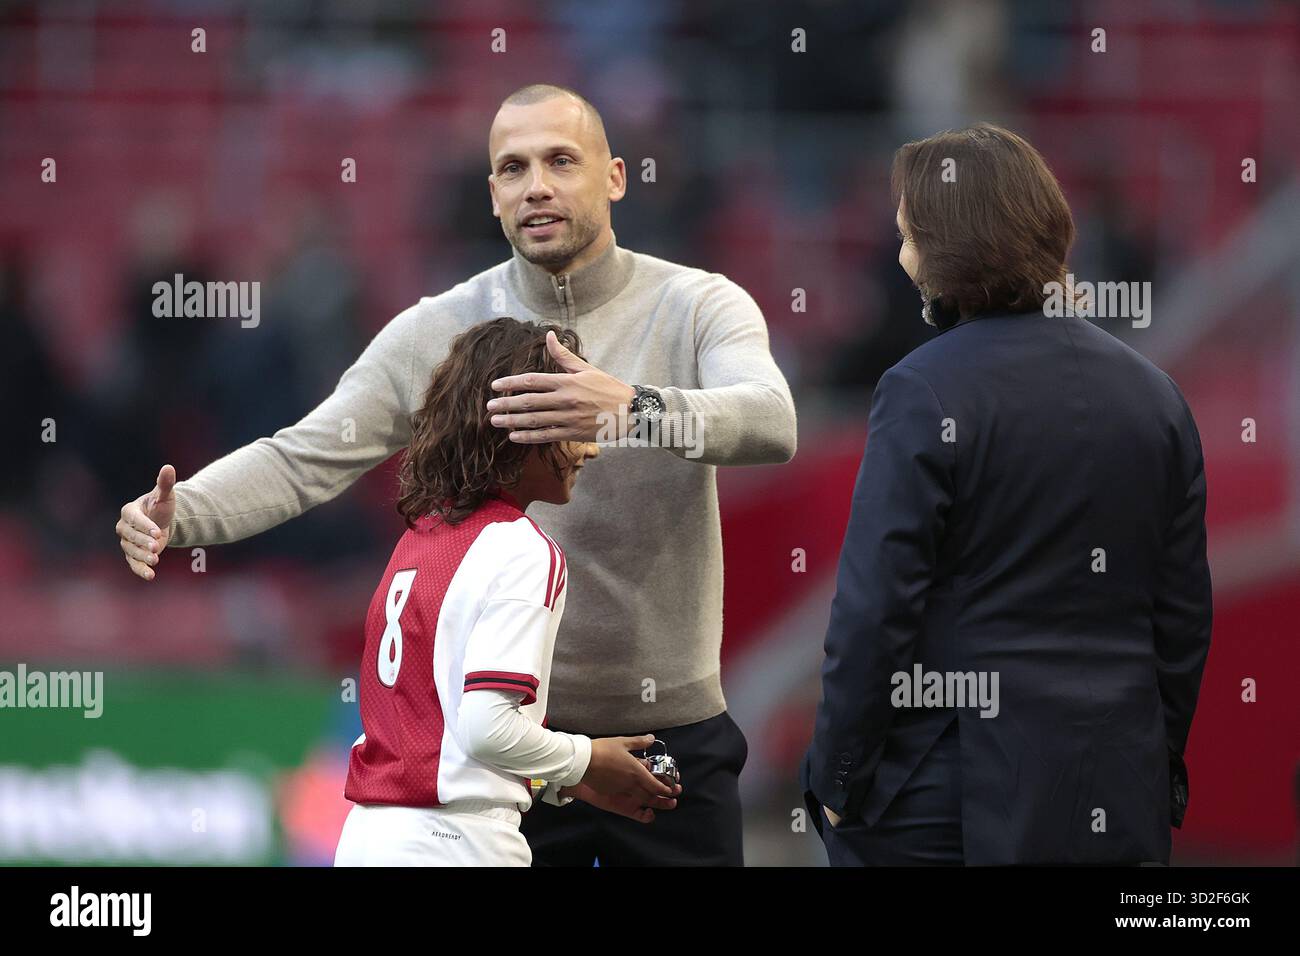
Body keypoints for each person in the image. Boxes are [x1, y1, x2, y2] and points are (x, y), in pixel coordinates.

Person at [116, 83, 797, 866]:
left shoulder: (696, 304)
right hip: (508, 749)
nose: (536, 184)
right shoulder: (439, 329)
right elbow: (304, 457)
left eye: (560, 161)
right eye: (513, 169)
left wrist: (630, 408)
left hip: (667, 739)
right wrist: (183, 514)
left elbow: (772, 421)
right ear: (493, 196)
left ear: (614, 177)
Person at [801, 124, 1212, 865]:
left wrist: (835, 771)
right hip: (1116, 788)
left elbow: (874, 611)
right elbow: (1181, 623)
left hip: (949, 796)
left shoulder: (920, 388)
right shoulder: (1158, 397)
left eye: (909, 238)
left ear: (952, 245)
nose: (902, 259)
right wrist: (1150, 763)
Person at [334, 318, 679, 866]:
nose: (591, 448)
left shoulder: (421, 536)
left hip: (369, 840)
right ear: (523, 425)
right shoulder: (521, 547)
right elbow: (486, 729)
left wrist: (555, 781)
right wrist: (586, 759)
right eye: (572, 421)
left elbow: (436, 736)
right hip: (456, 846)